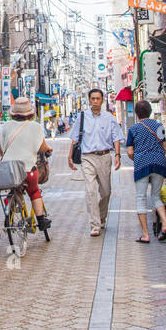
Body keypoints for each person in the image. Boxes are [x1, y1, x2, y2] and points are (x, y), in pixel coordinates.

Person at [67, 87, 124, 237]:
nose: (95, 102)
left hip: (105, 157)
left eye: (98, 99)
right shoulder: (82, 117)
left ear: (102, 100)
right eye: (92, 99)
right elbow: (75, 138)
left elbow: (116, 136)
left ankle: (101, 217)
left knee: (106, 191)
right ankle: (94, 224)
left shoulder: (109, 117)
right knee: (90, 190)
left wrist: (117, 155)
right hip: (87, 157)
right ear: (89, 100)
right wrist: (70, 156)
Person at [0, 96, 52, 232]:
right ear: (30, 112)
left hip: (8, 170)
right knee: (34, 191)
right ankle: (41, 220)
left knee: (13, 188)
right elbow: (42, 147)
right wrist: (48, 150)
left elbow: (2, 149)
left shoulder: (6, 126)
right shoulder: (35, 127)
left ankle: (9, 211)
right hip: (27, 169)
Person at [126, 99, 166, 243]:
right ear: (150, 111)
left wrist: (137, 158)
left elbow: (130, 151)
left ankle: (145, 235)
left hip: (142, 163)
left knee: (141, 197)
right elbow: (163, 143)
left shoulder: (133, 129)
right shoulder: (158, 125)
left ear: (137, 113)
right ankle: (165, 223)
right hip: (159, 162)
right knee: (156, 196)